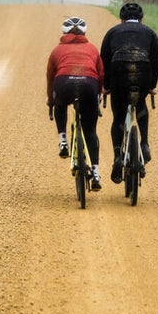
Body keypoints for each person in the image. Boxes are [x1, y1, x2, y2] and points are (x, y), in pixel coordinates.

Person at [100, 1, 158, 184]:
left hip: (118, 72)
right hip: (143, 72)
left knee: (118, 117)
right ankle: (144, 143)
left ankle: (118, 155)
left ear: (121, 20)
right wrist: (151, 84)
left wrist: (106, 85)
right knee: (140, 104)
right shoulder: (150, 33)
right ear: (141, 20)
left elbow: (104, 60)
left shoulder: (112, 32)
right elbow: (156, 60)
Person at [46, 15, 105, 190]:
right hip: (89, 85)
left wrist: (51, 99)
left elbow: (50, 77)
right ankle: (95, 173)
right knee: (90, 132)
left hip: (64, 83)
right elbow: (101, 74)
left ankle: (63, 139)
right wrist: (98, 96)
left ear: (64, 33)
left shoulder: (57, 51)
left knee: (60, 103)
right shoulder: (92, 49)